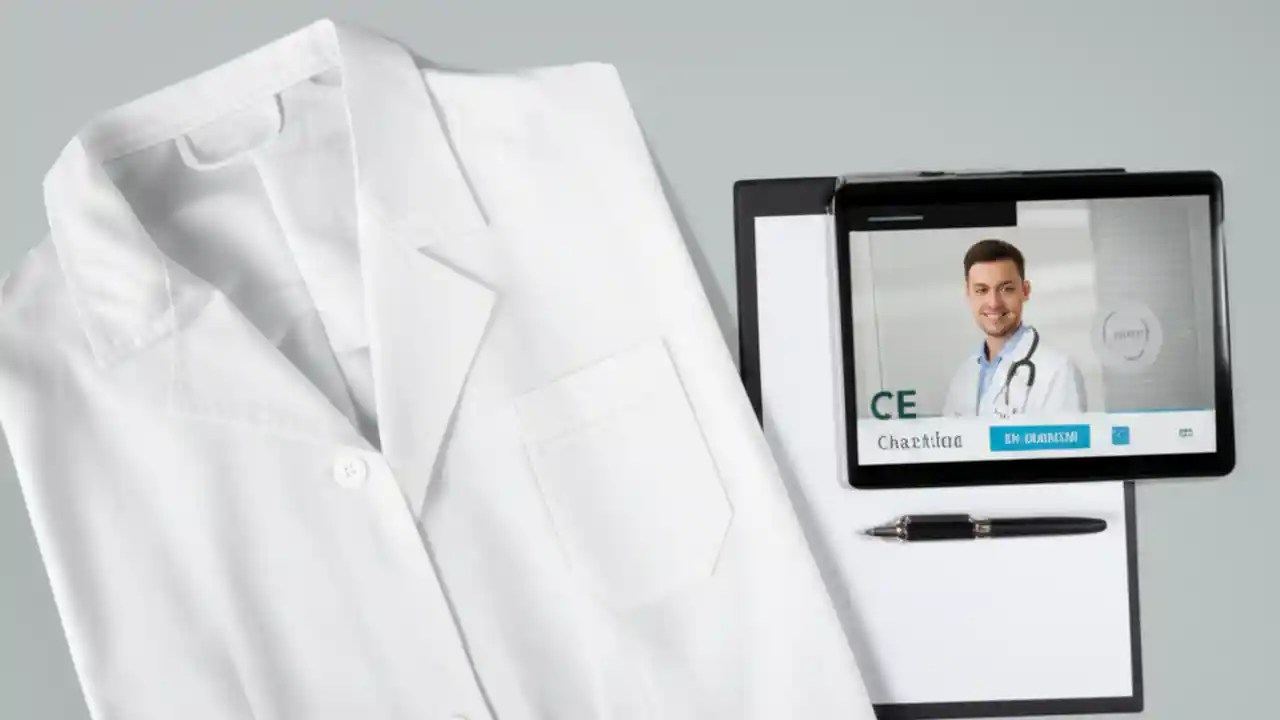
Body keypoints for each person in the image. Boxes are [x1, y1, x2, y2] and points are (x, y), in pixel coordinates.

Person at [942, 239, 1086, 418]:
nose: (994, 303)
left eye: (1006, 289)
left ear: (1025, 291)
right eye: (982, 290)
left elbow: (1069, 443)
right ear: (968, 292)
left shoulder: (1057, 371)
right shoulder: (963, 376)